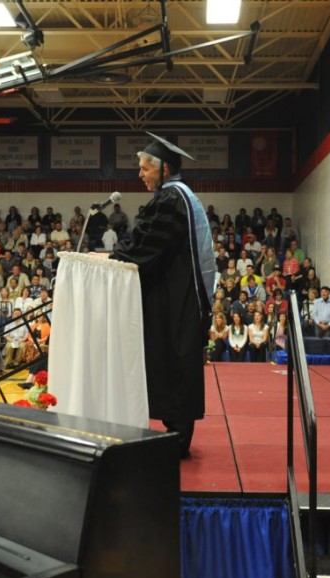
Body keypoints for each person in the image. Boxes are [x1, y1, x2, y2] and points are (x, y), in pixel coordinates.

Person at [110, 133, 214, 459]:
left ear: (164, 169)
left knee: (177, 361)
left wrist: (116, 258)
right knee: (173, 362)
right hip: (177, 296)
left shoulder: (171, 199)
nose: (139, 174)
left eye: (144, 168)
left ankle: (178, 438)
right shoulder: (179, 197)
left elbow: (147, 245)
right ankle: (175, 435)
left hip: (180, 301)